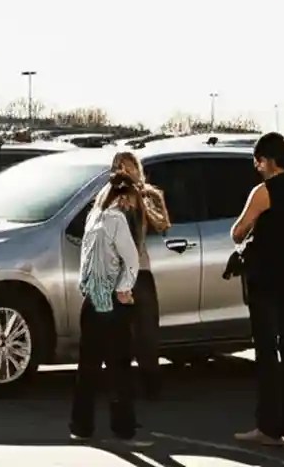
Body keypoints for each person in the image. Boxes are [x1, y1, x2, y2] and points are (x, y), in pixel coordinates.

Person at [229, 132, 284, 445]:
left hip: (266, 279)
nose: (256, 166)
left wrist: (246, 231)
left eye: (258, 160)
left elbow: (238, 232)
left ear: (267, 160)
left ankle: (268, 427)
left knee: (267, 352)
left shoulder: (263, 191)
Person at [70, 172, 143, 443]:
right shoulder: (117, 220)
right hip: (112, 301)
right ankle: (123, 427)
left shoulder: (93, 217)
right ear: (125, 197)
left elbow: (85, 261)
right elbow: (132, 260)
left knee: (87, 367)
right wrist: (124, 289)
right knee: (120, 368)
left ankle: (81, 425)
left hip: (91, 301)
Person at [98, 151, 171, 398]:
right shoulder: (108, 196)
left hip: (139, 272)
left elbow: (163, 225)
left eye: (130, 169)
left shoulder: (149, 194)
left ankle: (152, 385)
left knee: (146, 333)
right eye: (120, 169)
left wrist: (141, 199)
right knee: (116, 333)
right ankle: (119, 387)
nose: (126, 174)